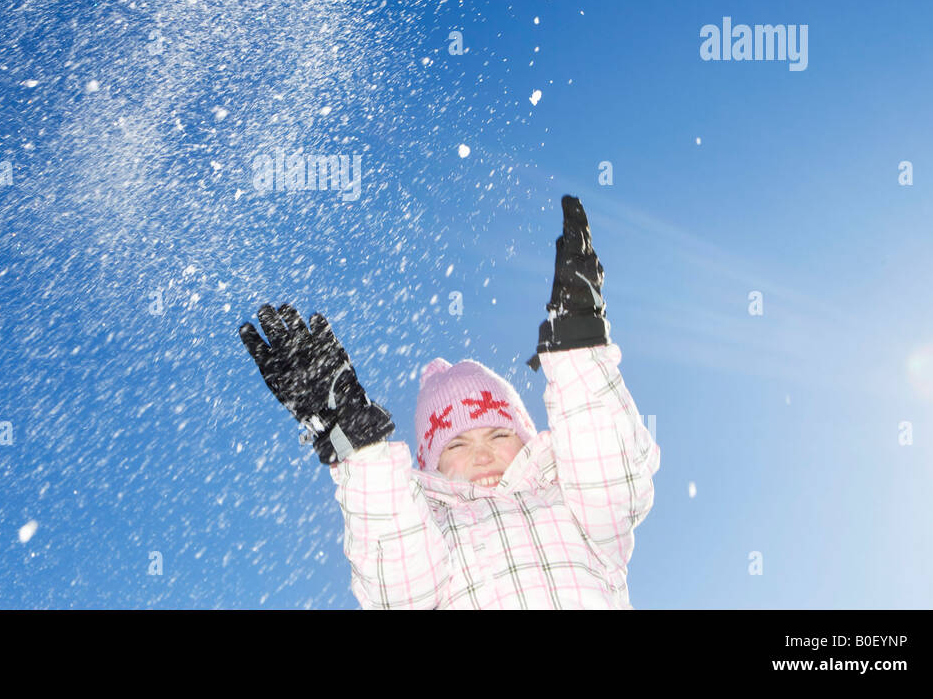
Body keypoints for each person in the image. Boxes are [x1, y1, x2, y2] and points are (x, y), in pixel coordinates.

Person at [238, 195, 660, 609]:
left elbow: (606, 471)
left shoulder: (573, 506)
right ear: (430, 466)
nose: (483, 454)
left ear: (528, 438)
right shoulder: (435, 532)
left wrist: (578, 347)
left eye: (499, 433)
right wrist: (356, 443)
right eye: (456, 444)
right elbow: (399, 584)